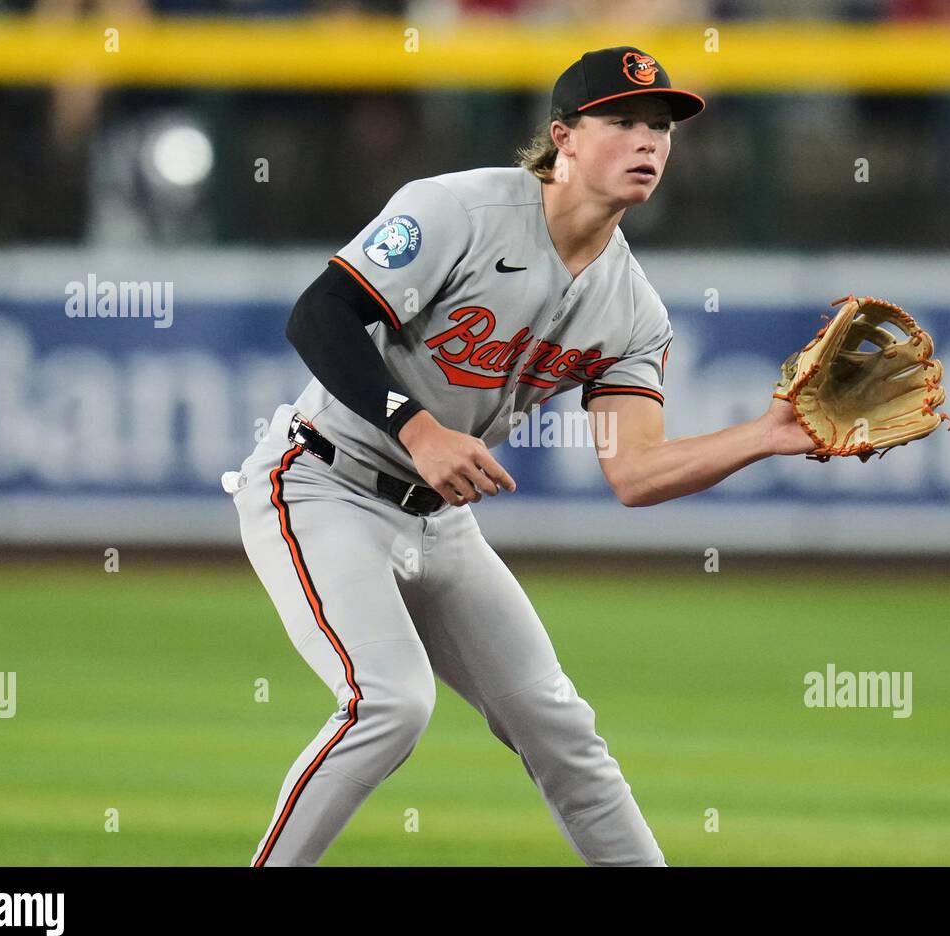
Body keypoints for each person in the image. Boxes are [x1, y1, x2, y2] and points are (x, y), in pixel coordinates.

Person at [222, 45, 815, 868]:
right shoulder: (457, 210)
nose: (648, 141)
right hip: (323, 482)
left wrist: (765, 435)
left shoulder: (634, 311)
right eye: (623, 122)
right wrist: (419, 429)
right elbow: (319, 314)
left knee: (561, 728)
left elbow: (634, 472)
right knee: (389, 704)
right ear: (563, 137)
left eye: (661, 127)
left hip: (443, 524)